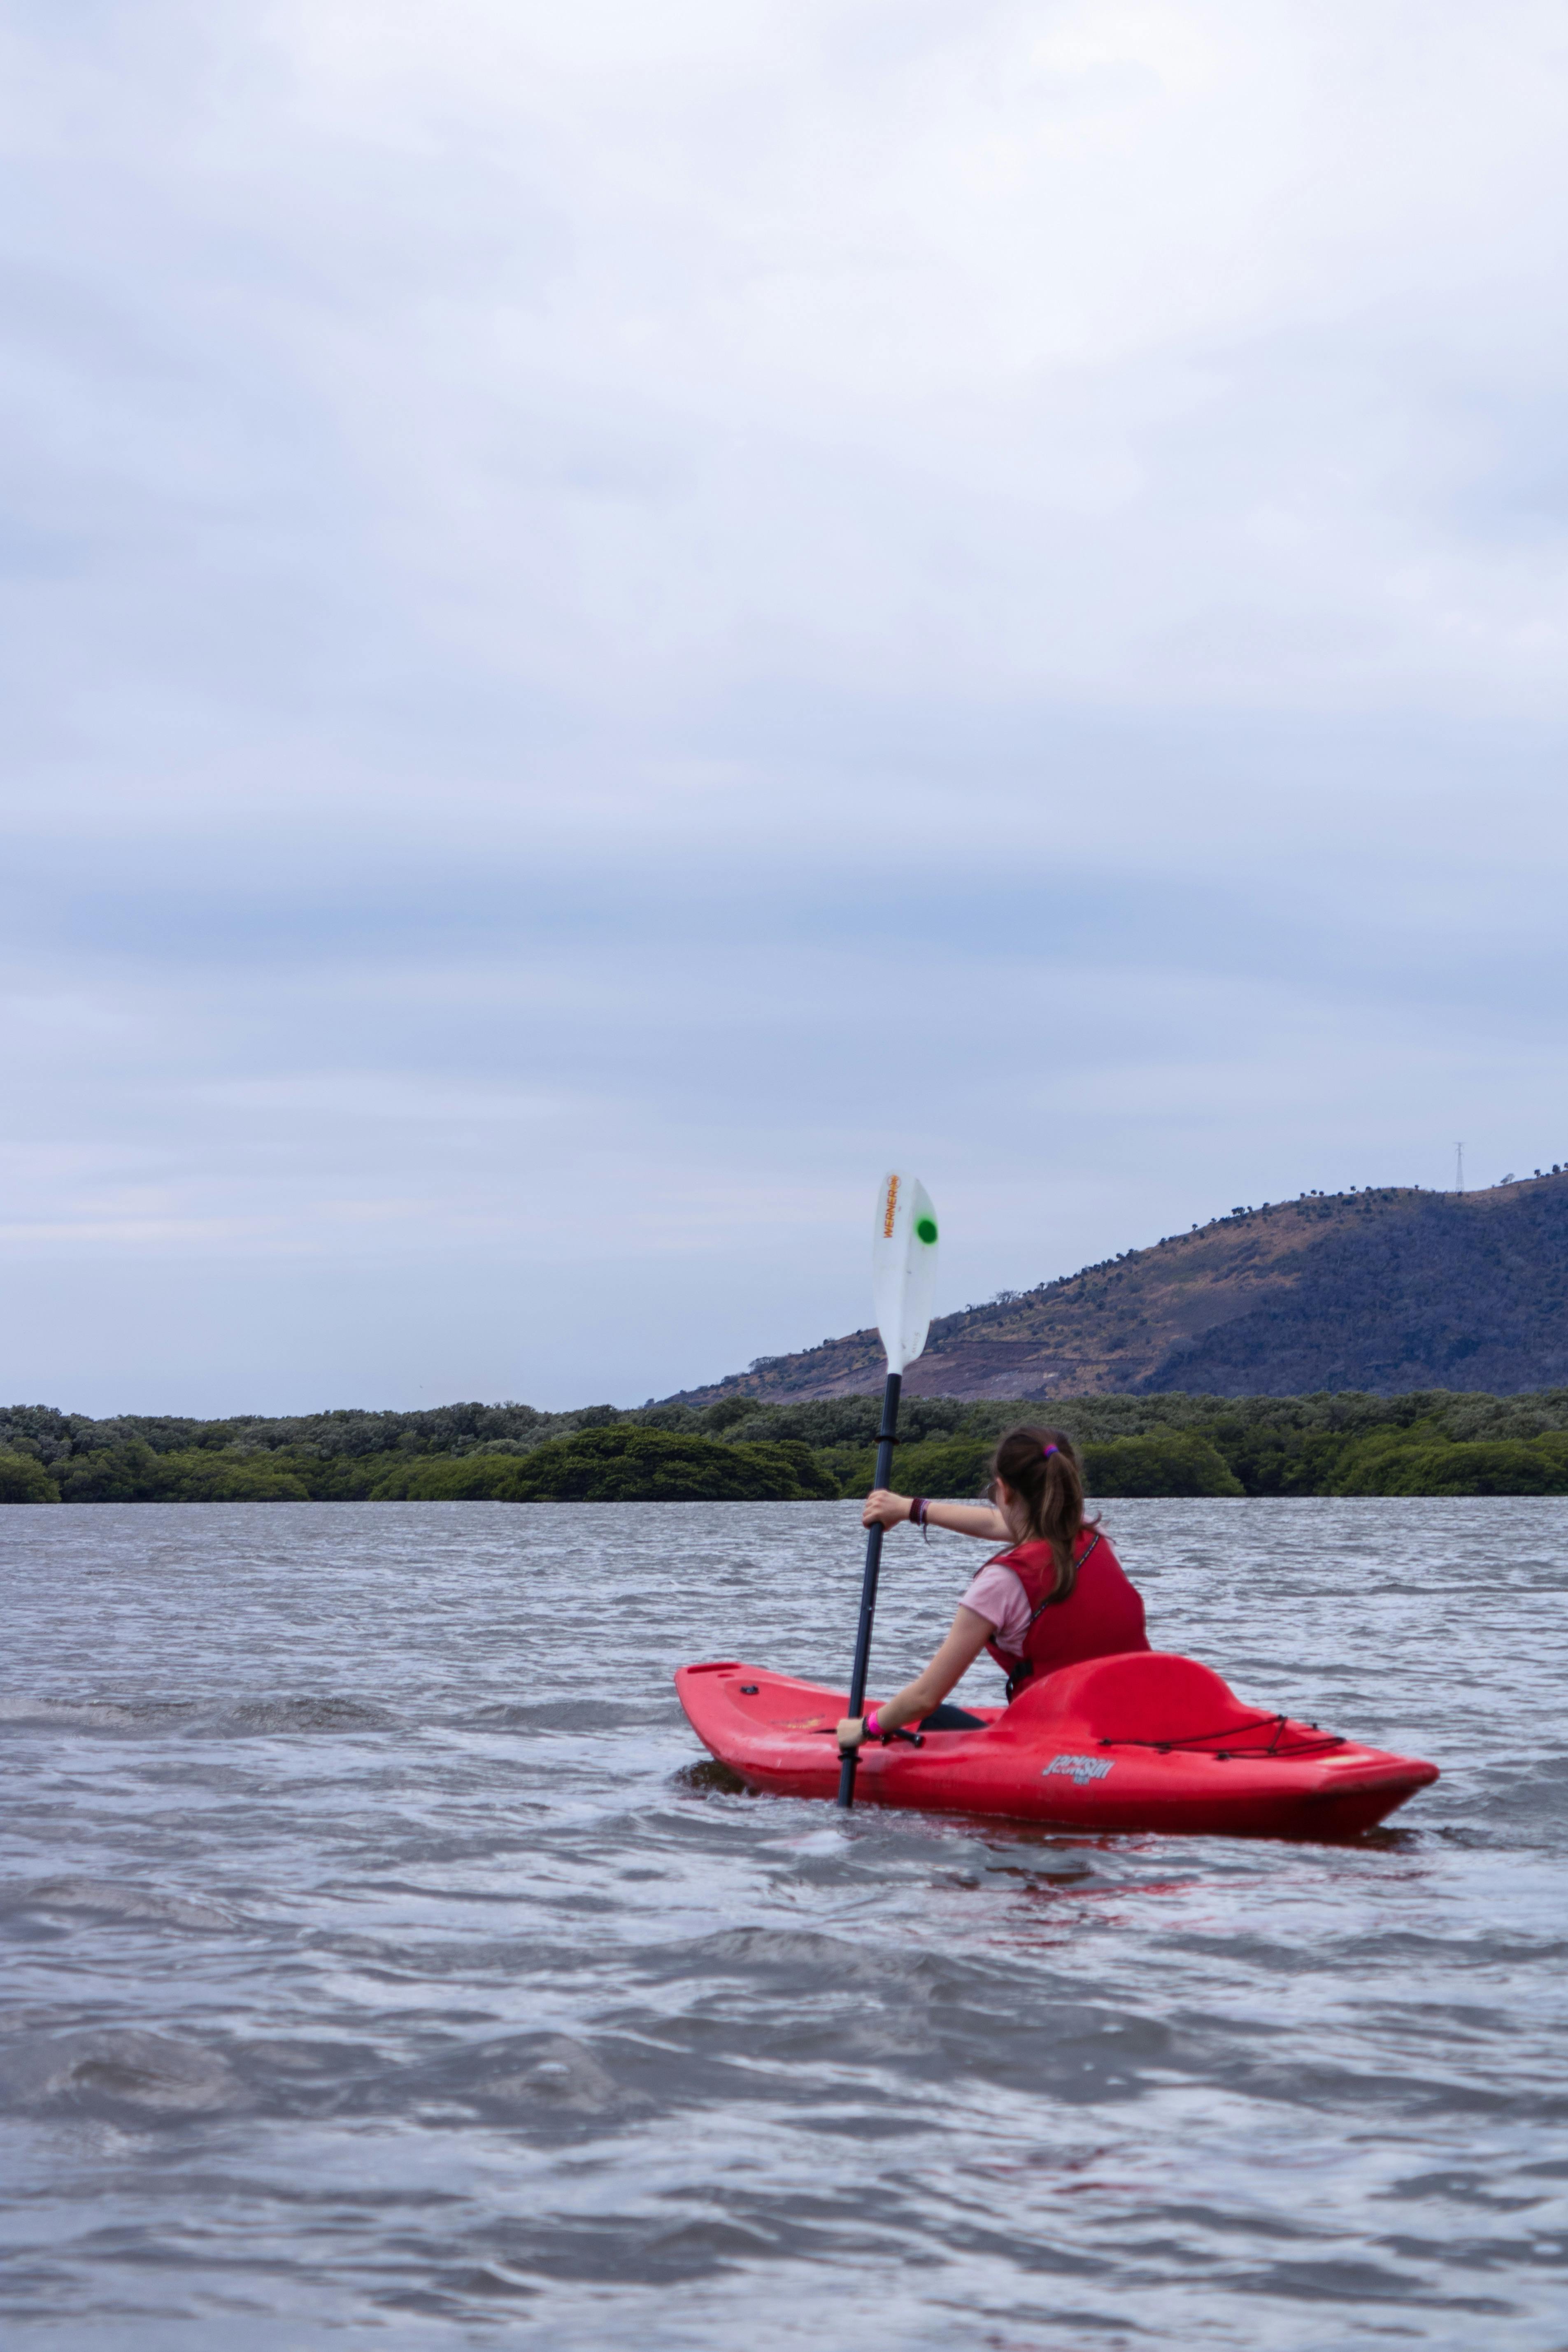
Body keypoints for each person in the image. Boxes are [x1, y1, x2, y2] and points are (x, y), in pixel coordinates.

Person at [836, 1424, 1150, 1750]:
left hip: (1061, 1746)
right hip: (1141, 1724)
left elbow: (924, 1698)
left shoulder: (1002, 1583)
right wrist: (908, 1508)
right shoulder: (1094, 1533)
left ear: (1005, 1490)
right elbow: (996, 1523)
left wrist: (865, 1728)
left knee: (934, 1720)